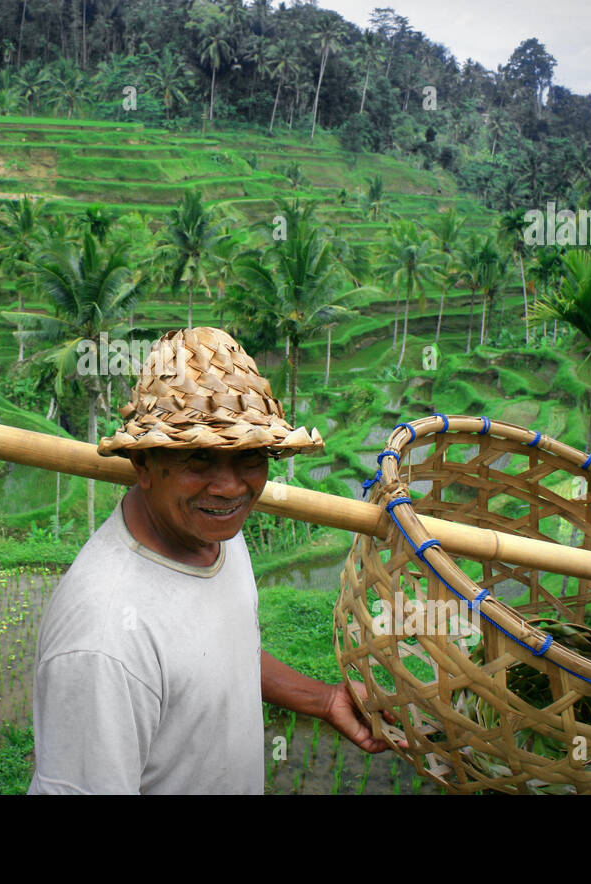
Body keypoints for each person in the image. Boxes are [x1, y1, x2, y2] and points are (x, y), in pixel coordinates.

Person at [28, 326, 395, 795]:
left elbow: (219, 654)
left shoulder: (213, 530)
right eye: (198, 459)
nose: (231, 487)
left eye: (250, 456)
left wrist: (323, 700)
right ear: (143, 463)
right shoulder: (103, 643)